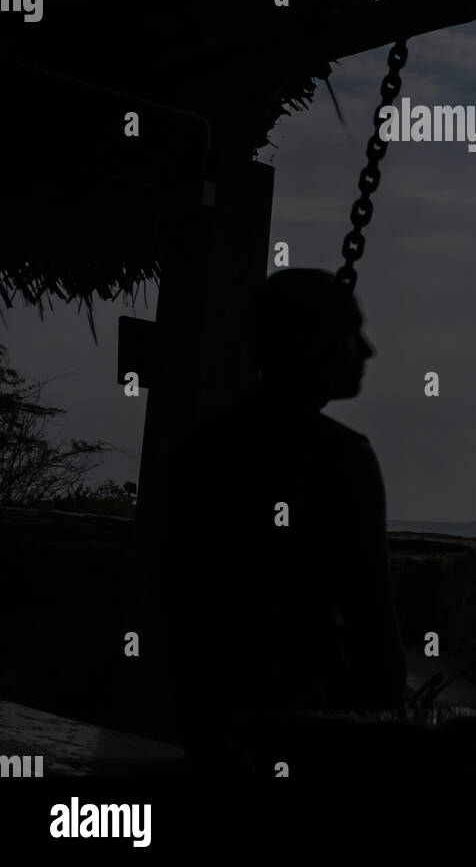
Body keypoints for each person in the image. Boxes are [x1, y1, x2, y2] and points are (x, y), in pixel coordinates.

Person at [159, 268, 408, 771]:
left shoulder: (203, 449)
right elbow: (371, 615)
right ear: (310, 343)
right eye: (350, 332)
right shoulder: (343, 458)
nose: (366, 350)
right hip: (310, 729)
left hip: (211, 724)